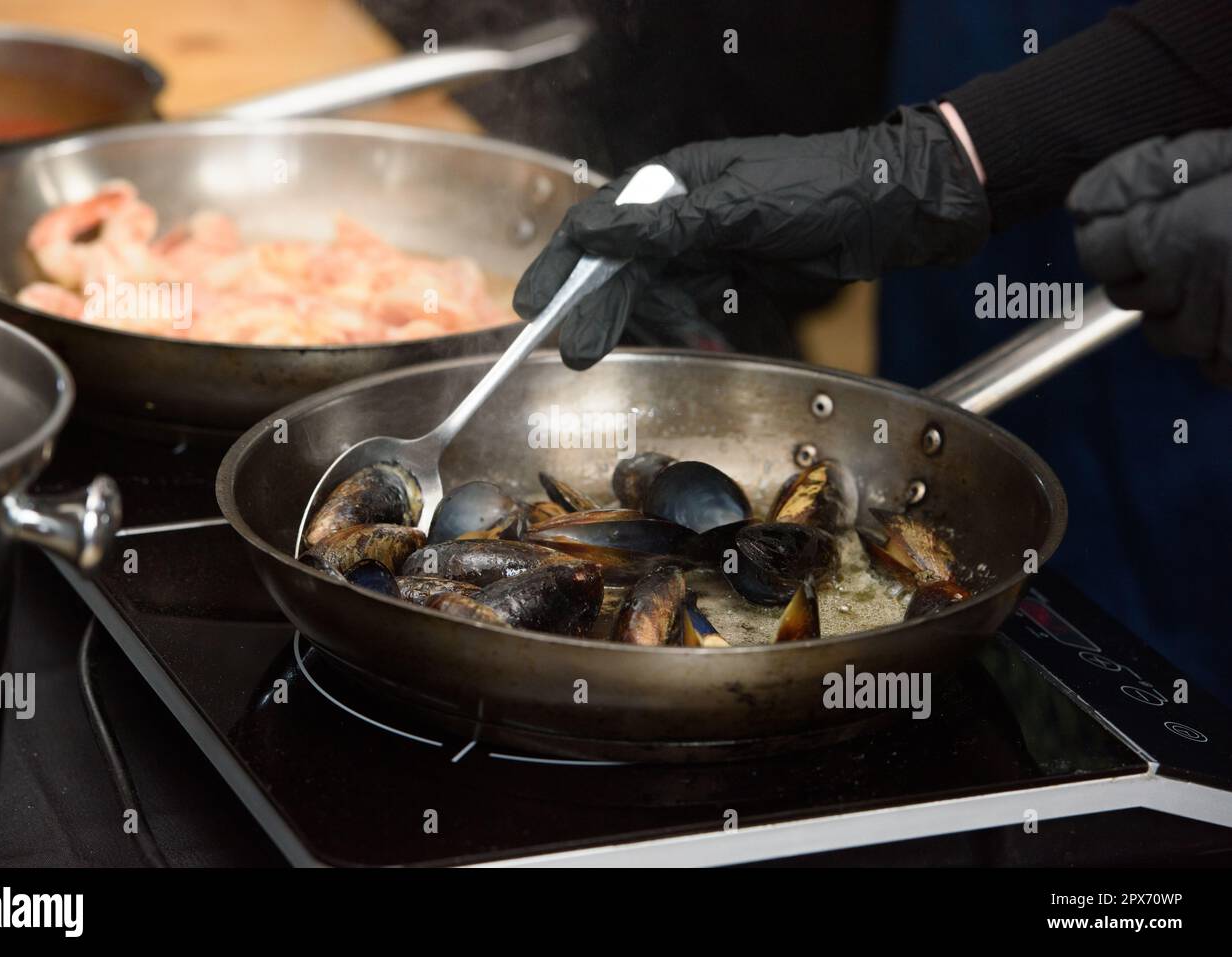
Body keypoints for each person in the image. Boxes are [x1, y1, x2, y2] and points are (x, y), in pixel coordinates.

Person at [514, 0, 1232, 697]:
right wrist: (942, 158)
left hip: (1184, 340)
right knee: (931, 499)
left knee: (1148, 666)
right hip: (991, 64)